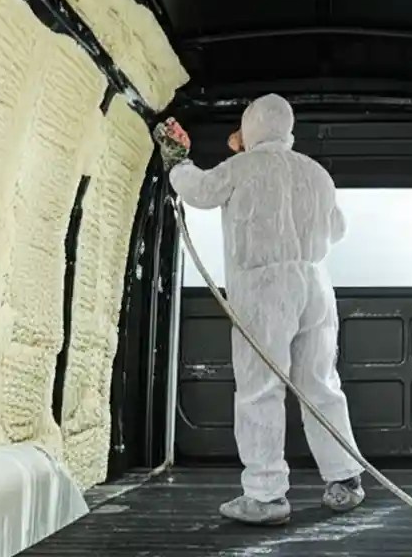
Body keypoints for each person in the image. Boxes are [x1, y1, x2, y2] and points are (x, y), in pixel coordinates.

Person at [153, 94, 365, 526]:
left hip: (265, 289)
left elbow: (200, 191)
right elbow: (338, 229)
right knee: (321, 384)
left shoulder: (242, 167)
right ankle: (345, 480)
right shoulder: (316, 173)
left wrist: (177, 162)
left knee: (260, 388)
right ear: (287, 130)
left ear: (250, 127)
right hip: (315, 286)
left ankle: (266, 496)